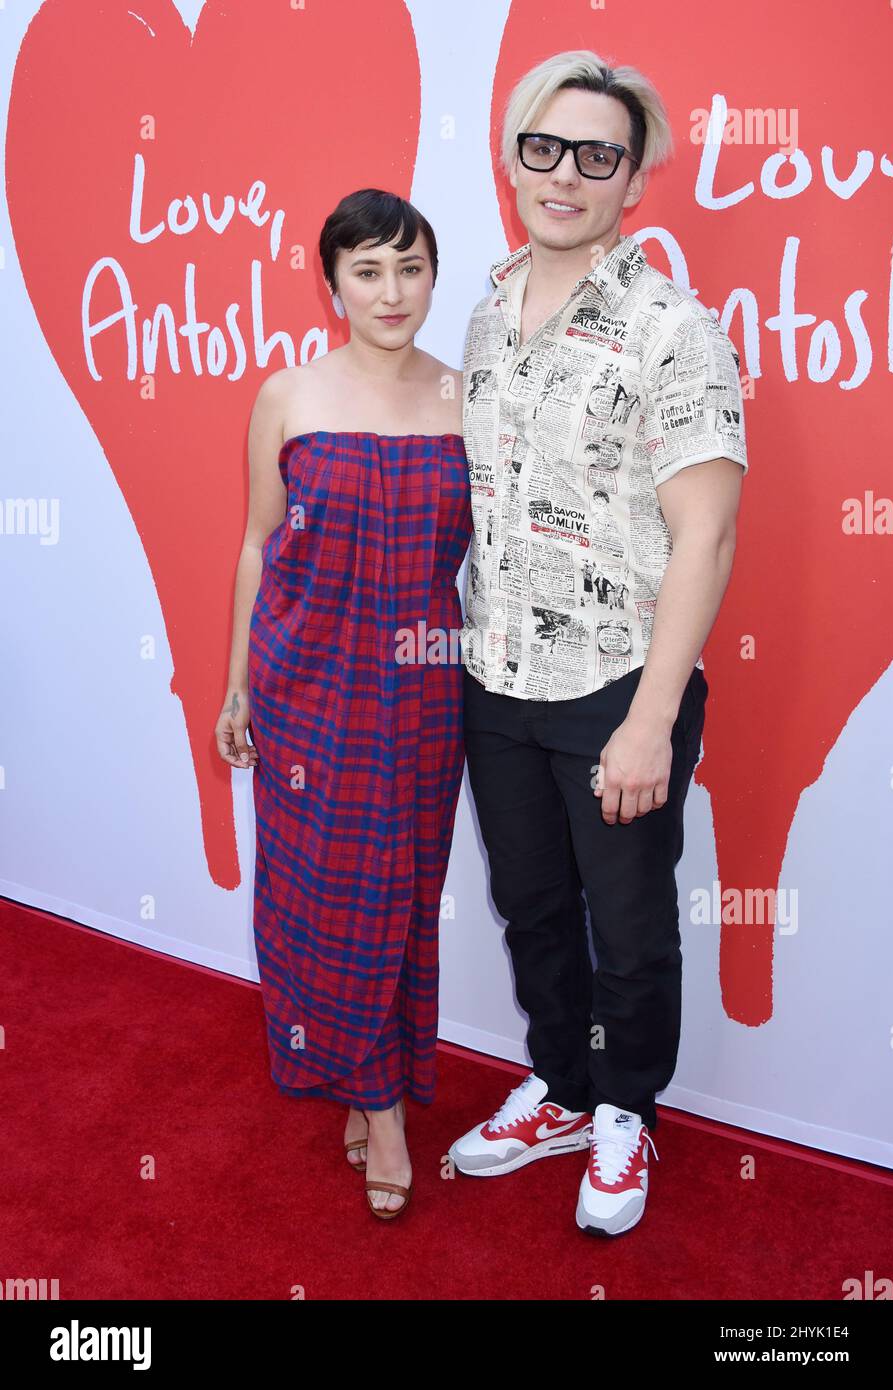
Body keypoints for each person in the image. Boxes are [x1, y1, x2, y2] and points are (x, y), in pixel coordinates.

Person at [449, 51, 749, 1236]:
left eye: (597, 155)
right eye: (545, 147)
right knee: (529, 906)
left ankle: (626, 1112)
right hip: (492, 673)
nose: (564, 174)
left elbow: (707, 534)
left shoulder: (673, 326)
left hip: (615, 684)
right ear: (514, 156)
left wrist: (647, 718)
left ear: (633, 182)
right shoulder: (482, 307)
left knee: (625, 926)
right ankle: (561, 1090)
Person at [215, 189, 472, 1219]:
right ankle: (379, 1103)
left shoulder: (466, 397)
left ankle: (372, 1084)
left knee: (398, 892)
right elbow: (255, 544)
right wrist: (235, 680)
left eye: (409, 267)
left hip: (423, 690)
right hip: (304, 687)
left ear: (432, 277)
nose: (390, 290)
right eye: (367, 270)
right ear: (330, 285)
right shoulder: (286, 396)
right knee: (315, 892)